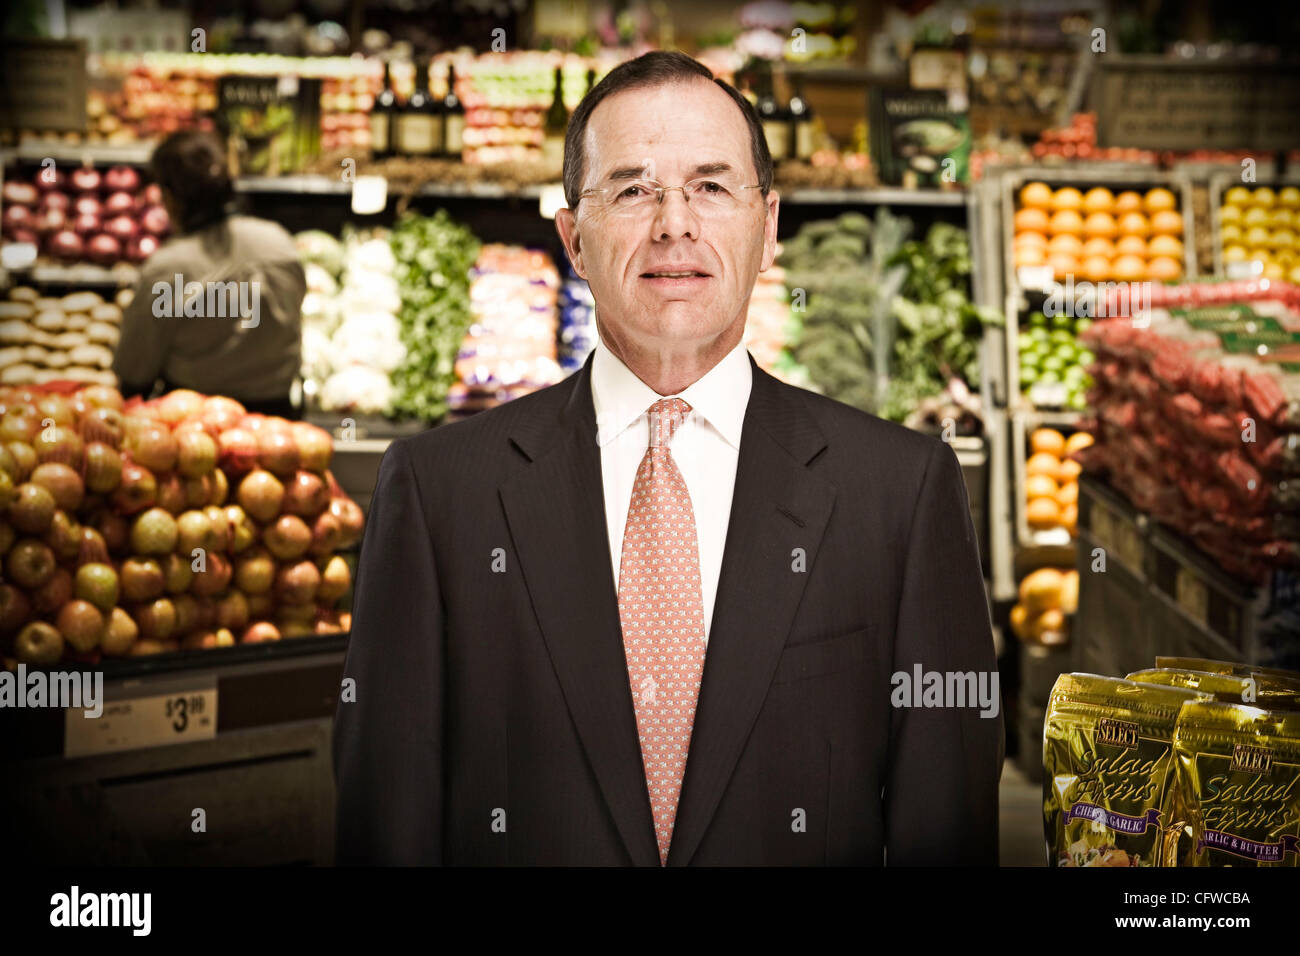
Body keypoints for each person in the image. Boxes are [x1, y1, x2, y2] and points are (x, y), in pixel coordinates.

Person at [334, 51, 1002, 866]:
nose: (674, 223)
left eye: (713, 187)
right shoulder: (440, 495)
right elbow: (387, 821)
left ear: (770, 227)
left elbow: (946, 829)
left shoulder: (899, 492)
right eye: (632, 189)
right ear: (573, 240)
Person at [112, 130, 304, 417]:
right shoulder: (279, 243)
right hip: (278, 421)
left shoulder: (167, 268)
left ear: (171, 198)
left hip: (193, 425)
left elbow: (134, 374)